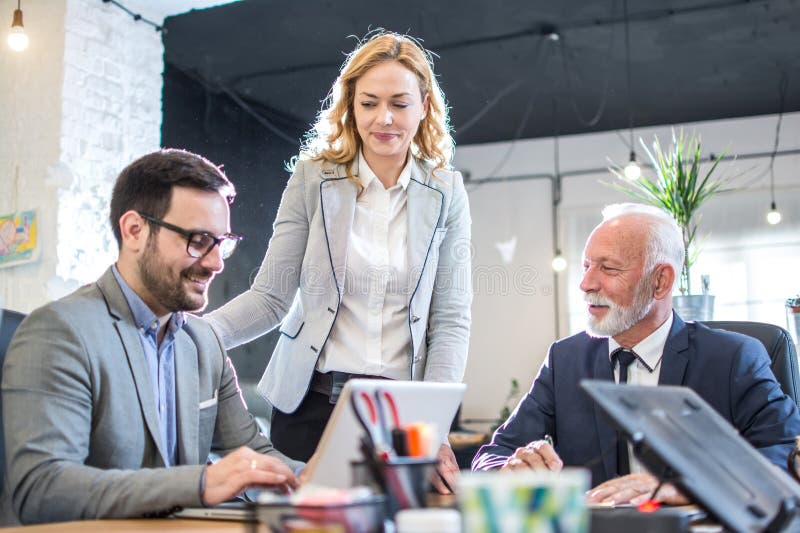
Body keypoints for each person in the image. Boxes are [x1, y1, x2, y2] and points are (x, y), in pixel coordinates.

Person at [204, 31, 471, 493]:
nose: (384, 118)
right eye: (369, 103)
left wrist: (436, 426)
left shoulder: (446, 191)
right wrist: (195, 334)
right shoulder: (313, 179)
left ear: (424, 106)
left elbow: (449, 320)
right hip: (311, 406)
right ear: (350, 106)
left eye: (399, 103)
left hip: (402, 415)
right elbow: (270, 297)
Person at [2, 149, 302, 525]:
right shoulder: (60, 332)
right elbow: (43, 489)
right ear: (134, 231)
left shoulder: (204, 343)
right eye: (198, 240)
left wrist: (319, 481)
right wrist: (200, 483)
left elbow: (254, 453)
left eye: (221, 243)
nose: (216, 263)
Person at [472, 203, 800, 505]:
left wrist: (690, 486)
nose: (586, 283)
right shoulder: (565, 359)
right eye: (586, 266)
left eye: (608, 268)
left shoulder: (733, 358)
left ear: (660, 282)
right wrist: (509, 470)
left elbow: (788, 457)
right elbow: (492, 455)